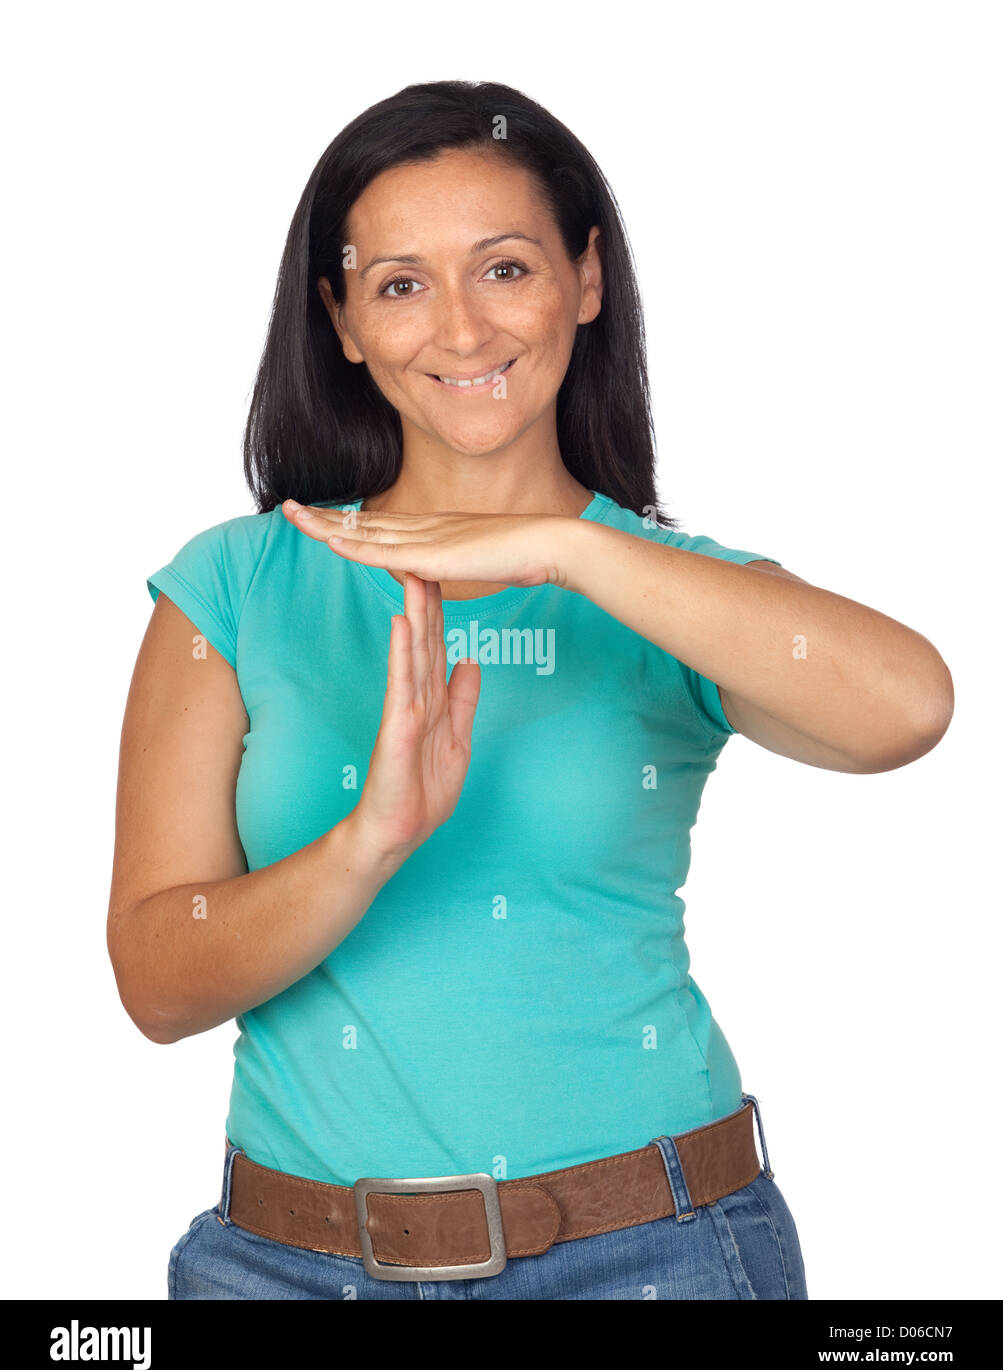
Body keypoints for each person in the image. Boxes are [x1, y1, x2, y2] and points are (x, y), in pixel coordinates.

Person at [107, 80, 953, 1301]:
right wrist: (368, 842)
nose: (460, 330)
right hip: (283, 1269)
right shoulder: (236, 584)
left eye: (503, 268)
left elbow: (908, 707)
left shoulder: (666, 593)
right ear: (342, 322)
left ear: (585, 281)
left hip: (649, 1253)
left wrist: (571, 547)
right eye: (400, 284)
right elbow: (155, 980)